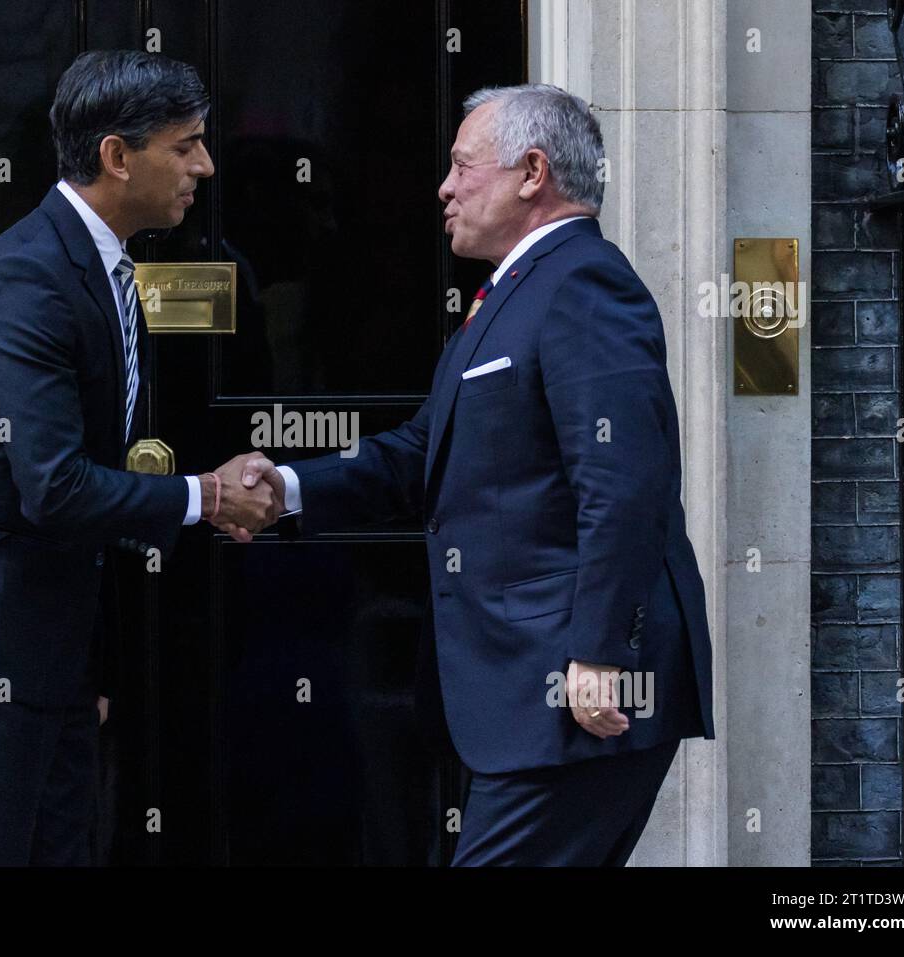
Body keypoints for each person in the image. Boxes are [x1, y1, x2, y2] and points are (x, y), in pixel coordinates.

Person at [243, 83, 715, 866]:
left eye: (463, 165)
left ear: (532, 172)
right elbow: (418, 452)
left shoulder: (584, 286)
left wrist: (598, 652)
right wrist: (287, 487)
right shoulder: (514, 294)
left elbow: (623, 479)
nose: (445, 186)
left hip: (569, 693)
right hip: (522, 697)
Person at [0, 50, 277, 866]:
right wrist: (205, 495)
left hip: (51, 648)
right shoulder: (27, 277)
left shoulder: (103, 261)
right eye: (185, 144)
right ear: (117, 156)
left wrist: (85, 663)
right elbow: (54, 485)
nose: (204, 164)